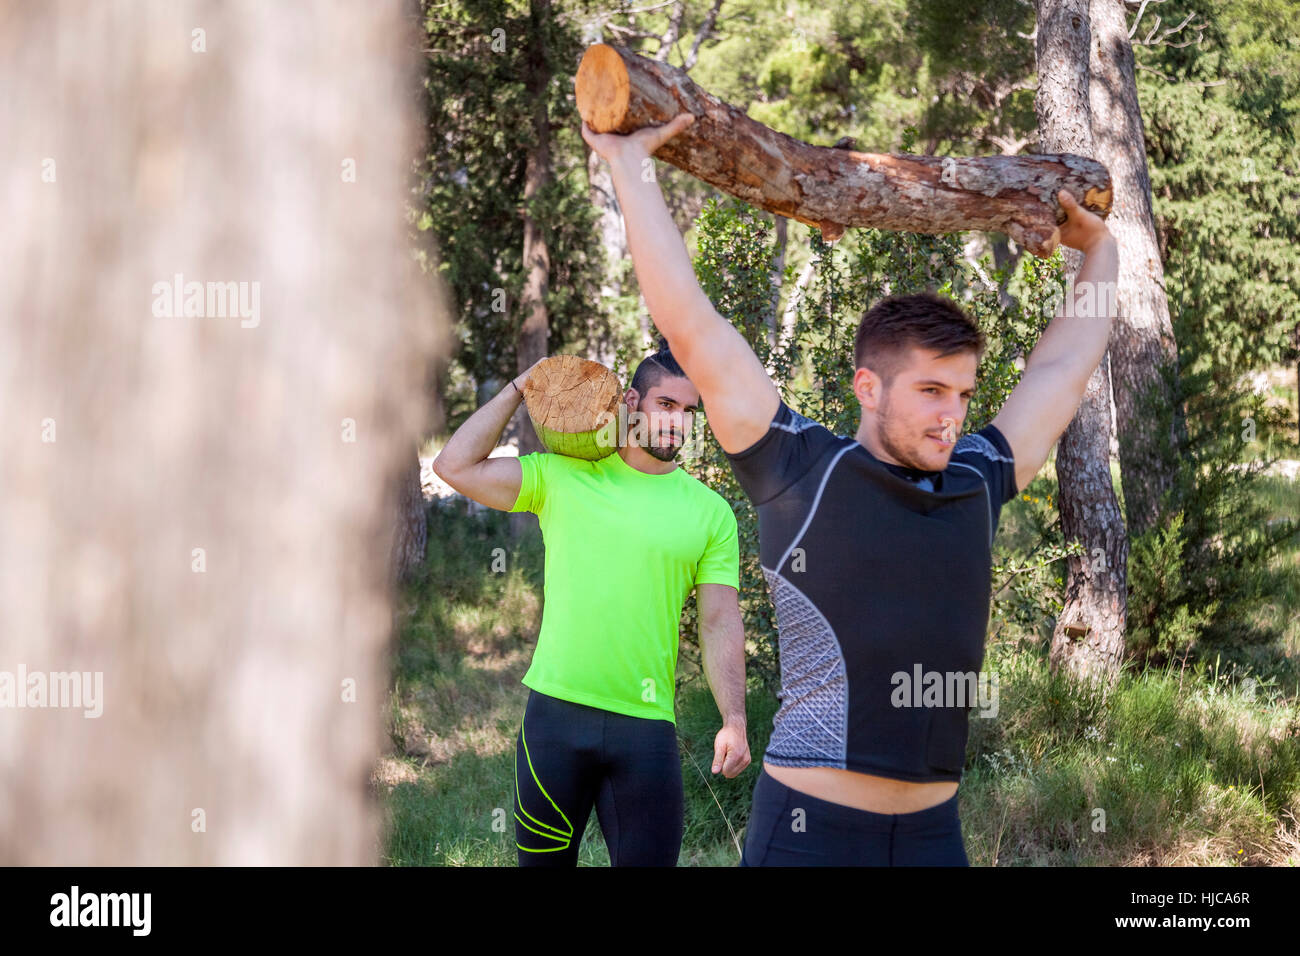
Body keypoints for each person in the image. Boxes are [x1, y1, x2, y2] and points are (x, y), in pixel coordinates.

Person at [582, 112, 1118, 866]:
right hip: (810, 832)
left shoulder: (977, 477)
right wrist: (633, 168)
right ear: (868, 386)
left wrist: (1100, 250)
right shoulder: (798, 466)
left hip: (934, 836)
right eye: (931, 391)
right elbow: (691, 326)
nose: (952, 416)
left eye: (964, 394)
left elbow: (1063, 368)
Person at [432, 340, 751, 866]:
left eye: (690, 411)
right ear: (631, 403)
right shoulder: (563, 477)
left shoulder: (711, 514)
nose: (679, 422)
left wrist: (733, 720)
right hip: (554, 719)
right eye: (666, 405)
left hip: (645, 727)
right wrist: (522, 385)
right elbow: (454, 465)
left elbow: (719, 622)